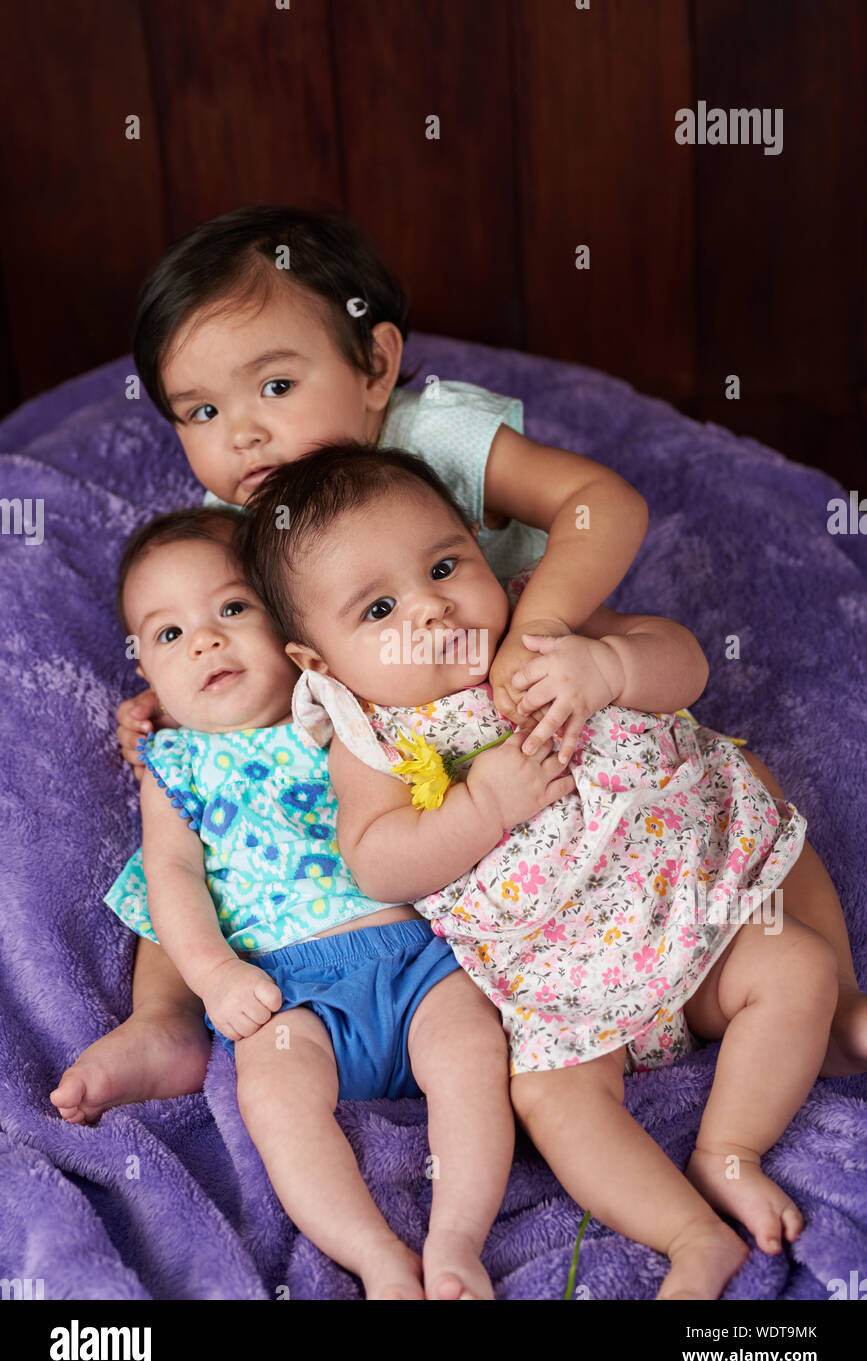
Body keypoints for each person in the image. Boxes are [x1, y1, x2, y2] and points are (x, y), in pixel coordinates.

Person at [51, 202, 649, 1125]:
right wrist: (181, 691)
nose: (242, 434)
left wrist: (544, 633)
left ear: (374, 366)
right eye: (203, 411)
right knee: (196, 835)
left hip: (519, 677)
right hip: (407, 779)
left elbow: (597, 502)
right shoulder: (256, 523)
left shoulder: (436, 443)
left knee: (718, 769)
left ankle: (829, 990)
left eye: (275, 387)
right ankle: (167, 1017)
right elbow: (260, 646)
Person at [243, 441, 856, 1299]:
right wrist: (479, 809)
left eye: (445, 565)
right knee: (548, 1100)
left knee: (795, 963)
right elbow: (376, 860)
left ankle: (729, 1149)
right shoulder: (371, 737)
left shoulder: (542, 623)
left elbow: (686, 662)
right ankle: (689, 1239)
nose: (430, 608)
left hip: (690, 904)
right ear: (320, 663)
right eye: (378, 608)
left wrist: (608, 666)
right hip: (565, 992)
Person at [98, 503, 552, 1299]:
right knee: (271, 1096)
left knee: (473, 1054)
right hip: (285, 991)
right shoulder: (174, 765)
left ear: (295, 628)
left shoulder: (346, 708)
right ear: (146, 673)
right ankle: (373, 1255)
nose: (204, 639)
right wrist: (211, 976)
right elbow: (171, 879)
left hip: (419, 963)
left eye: (232, 609)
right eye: (169, 635)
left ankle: (455, 1242)